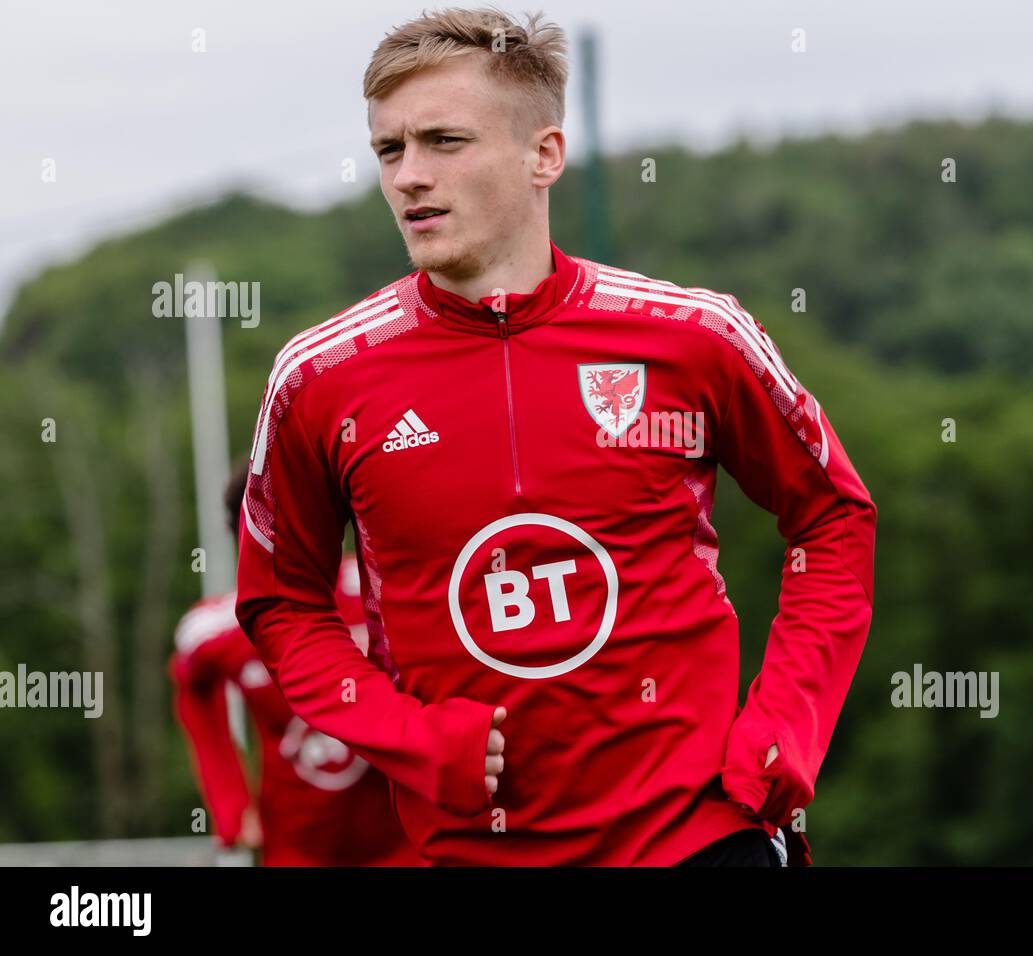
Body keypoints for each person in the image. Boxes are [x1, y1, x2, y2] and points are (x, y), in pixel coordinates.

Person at [235, 7, 876, 866]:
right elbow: (282, 602)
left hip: (700, 841)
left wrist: (783, 732)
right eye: (391, 150)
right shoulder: (320, 378)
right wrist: (410, 736)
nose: (408, 178)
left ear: (544, 154)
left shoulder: (695, 336)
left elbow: (832, 519)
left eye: (444, 142)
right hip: (464, 853)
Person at [171, 462, 420, 866]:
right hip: (297, 850)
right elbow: (194, 695)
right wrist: (232, 806)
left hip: (405, 847)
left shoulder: (382, 592)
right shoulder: (217, 631)